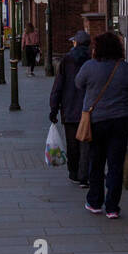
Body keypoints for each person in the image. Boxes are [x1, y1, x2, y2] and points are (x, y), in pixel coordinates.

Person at [74, 31, 128, 218]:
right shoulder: (127, 69)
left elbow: (78, 83)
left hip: (96, 121)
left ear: (97, 49)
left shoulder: (89, 67)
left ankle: (95, 202)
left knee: (96, 162)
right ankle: (112, 207)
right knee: (115, 164)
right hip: (120, 122)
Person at [50, 30, 93, 187]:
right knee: (86, 143)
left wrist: (53, 108)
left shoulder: (67, 60)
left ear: (76, 43)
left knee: (72, 143)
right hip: (88, 109)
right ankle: (84, 175)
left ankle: (74, 173)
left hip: (69, 108)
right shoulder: (92, 60)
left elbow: (58, 87)